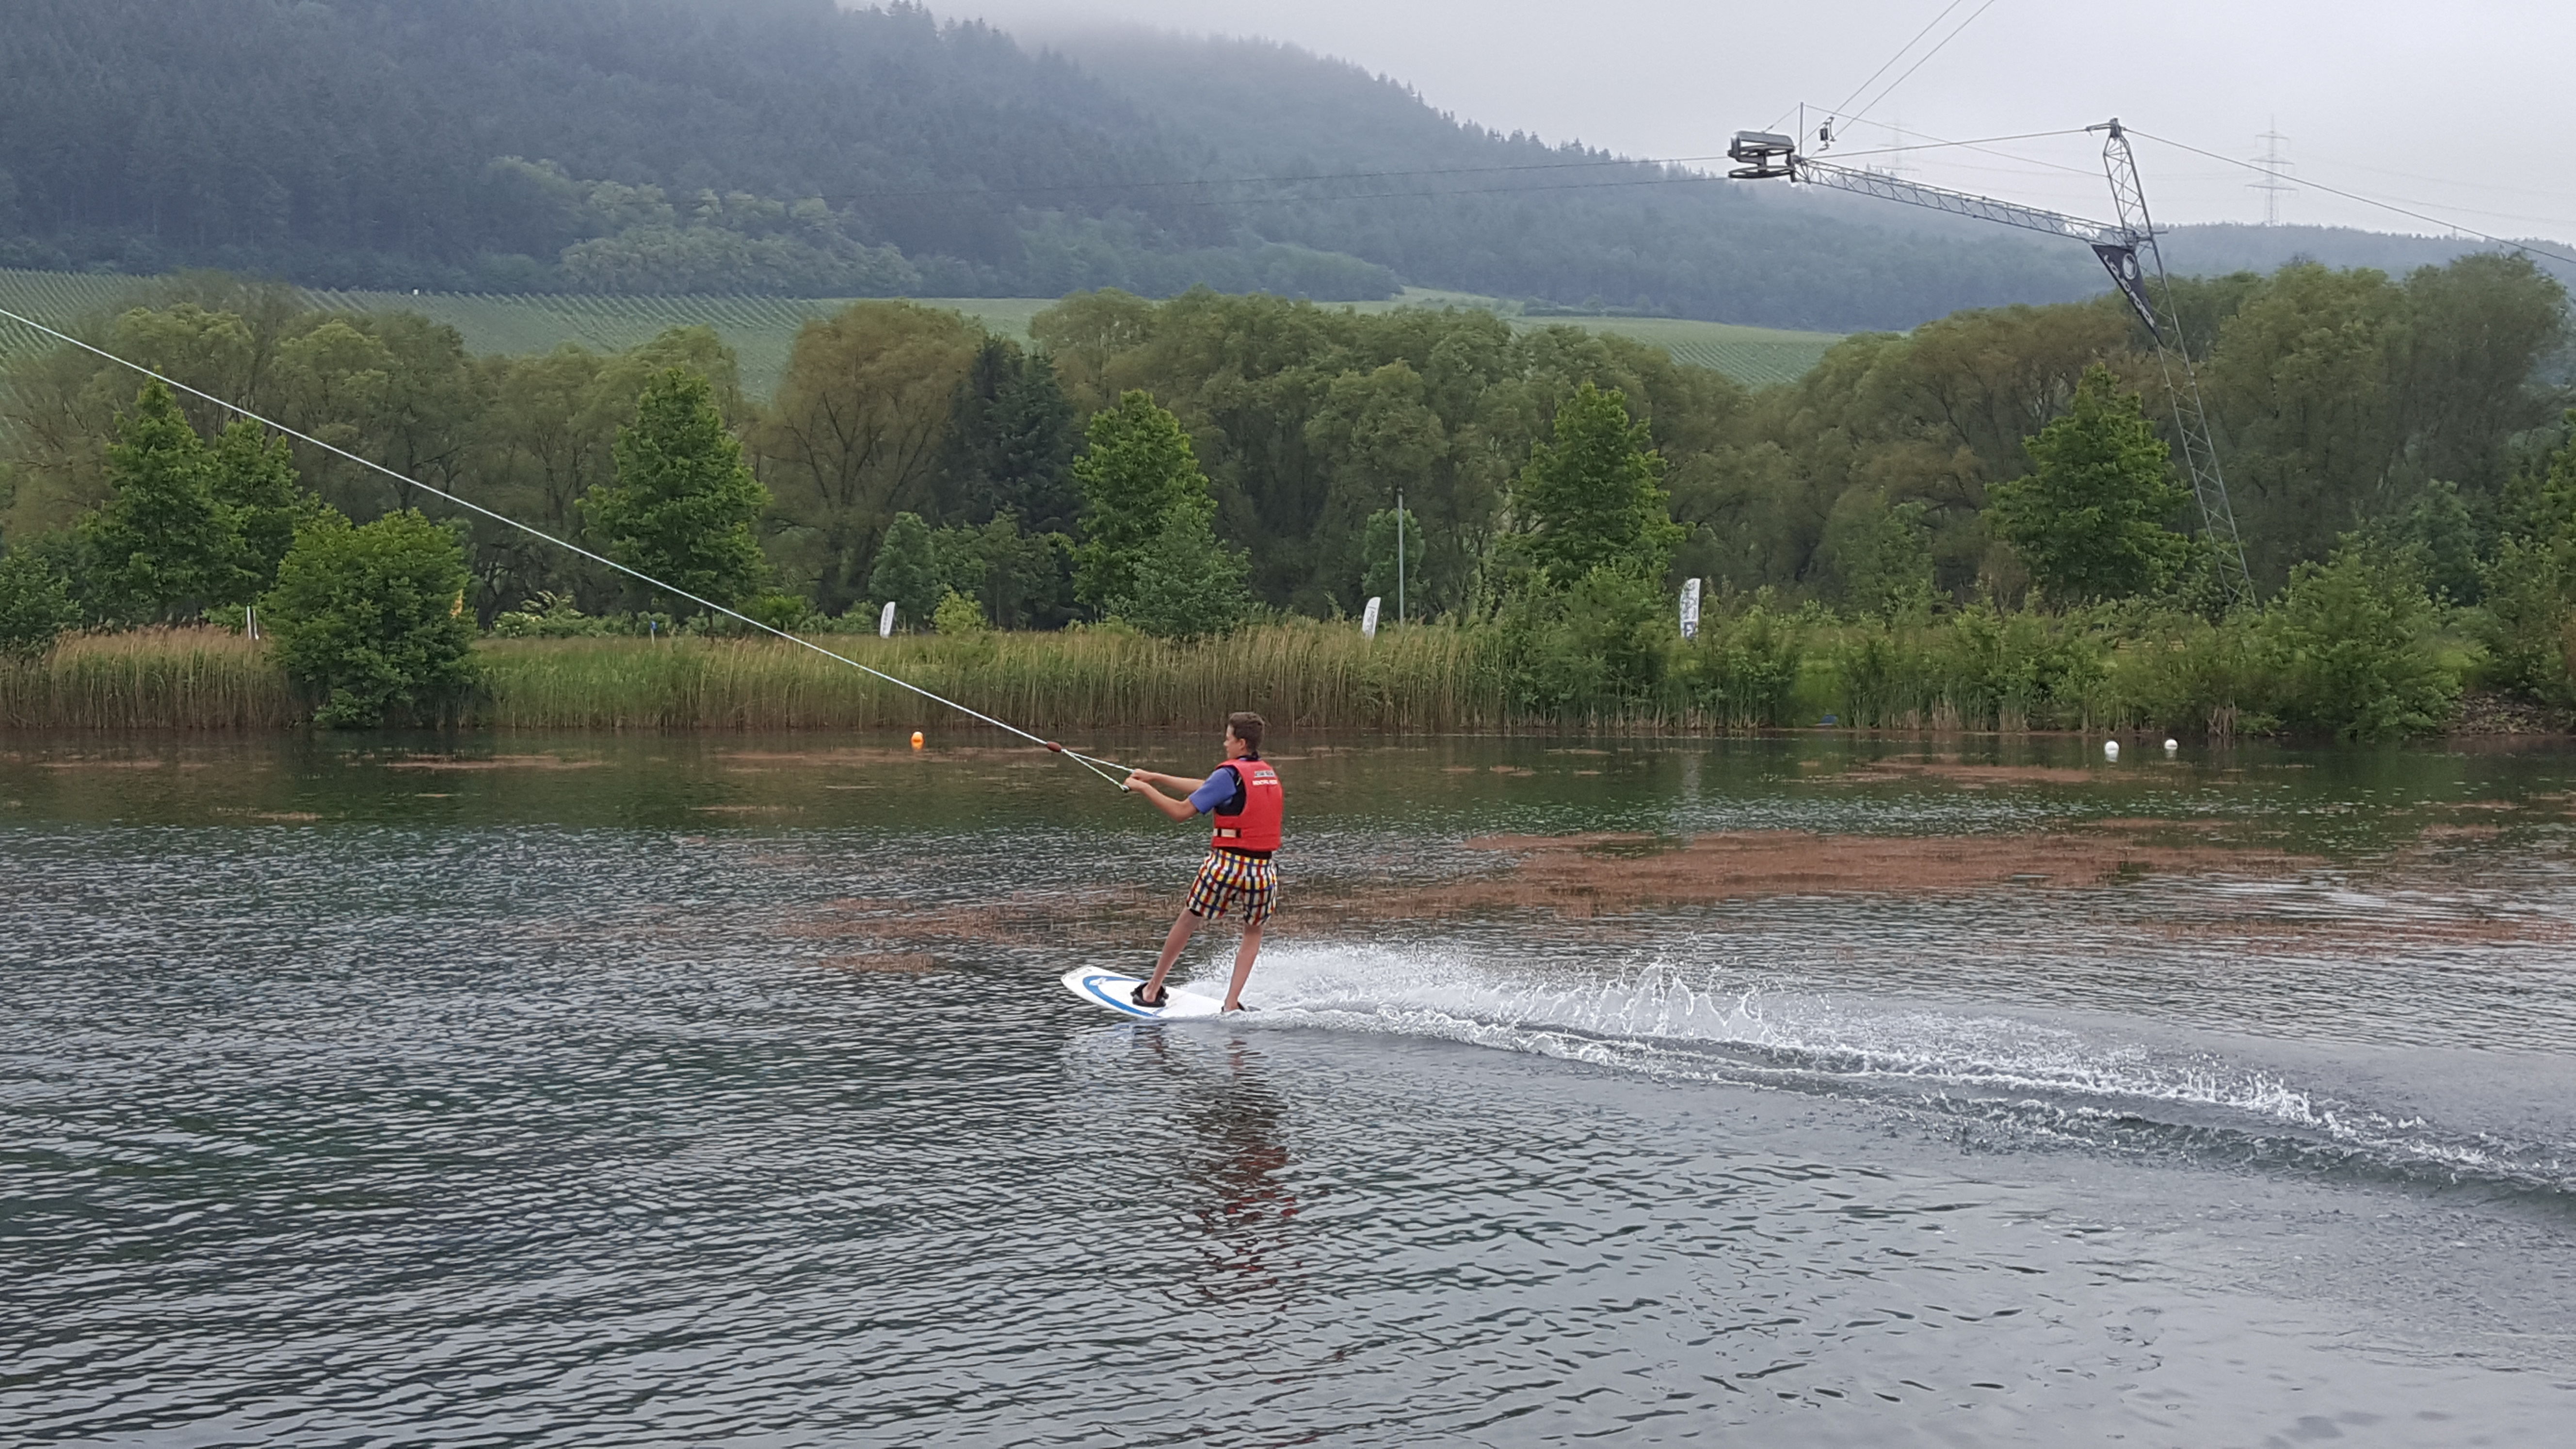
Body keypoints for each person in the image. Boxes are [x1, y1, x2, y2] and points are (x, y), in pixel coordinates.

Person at [1123, 711, 1282, 1013]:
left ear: (1241, 743)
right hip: (1263, 872)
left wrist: (1143, 788)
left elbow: (1181, 812)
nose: (1224, 743)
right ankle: (1231, 1003)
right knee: (1253, 933)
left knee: (1189, 918)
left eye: (1228, 738)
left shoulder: (1228, 775)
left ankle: (1152, 991)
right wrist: (1156, 777)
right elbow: (1208, 786)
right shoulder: (1264, 773)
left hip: (1227, 865)